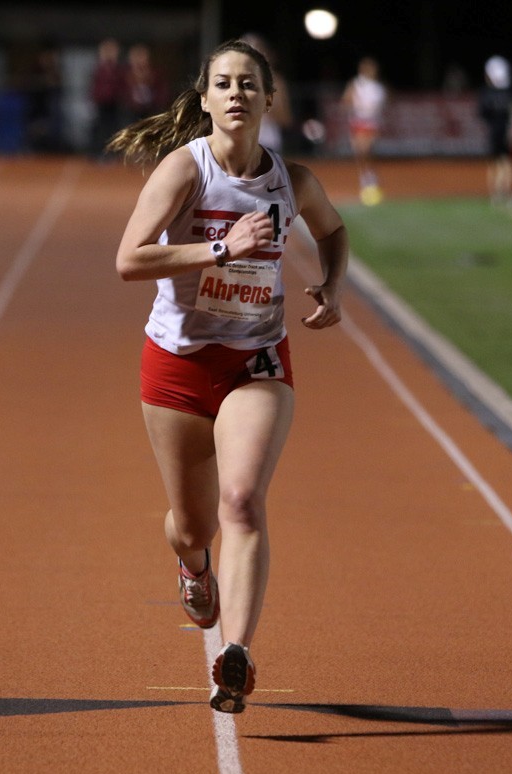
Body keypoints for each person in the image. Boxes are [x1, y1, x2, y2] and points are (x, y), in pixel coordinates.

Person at [109, 39, 348, 714]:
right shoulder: (185, 172)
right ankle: (192, 564)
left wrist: (333, 285)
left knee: (242, 501)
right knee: (193, 525)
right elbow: (128, 260)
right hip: (179, 363)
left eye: (250, 83)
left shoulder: (292, 181)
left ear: (269, 99)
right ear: (207, 98)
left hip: (257, 359)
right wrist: (221, 246)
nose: (238, 93)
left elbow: (333, 232)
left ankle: (234, 654)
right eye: (225, 83)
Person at [342, 56, 385, 204]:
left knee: (365, 150)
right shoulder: (356, 84)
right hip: (357, 122)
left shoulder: (377, 88)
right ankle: (365, 176)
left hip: (370, 124)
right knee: (359, 152)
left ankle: (370, 177)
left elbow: (375, 108)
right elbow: (346, 101)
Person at [478, 55, 512, 204]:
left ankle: (497, 192)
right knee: (505, 161)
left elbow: (482, 112)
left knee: (497, 161)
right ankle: (505, 191)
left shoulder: (488, 92)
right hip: (506, 129)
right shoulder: (509, 92)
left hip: (496, 130)